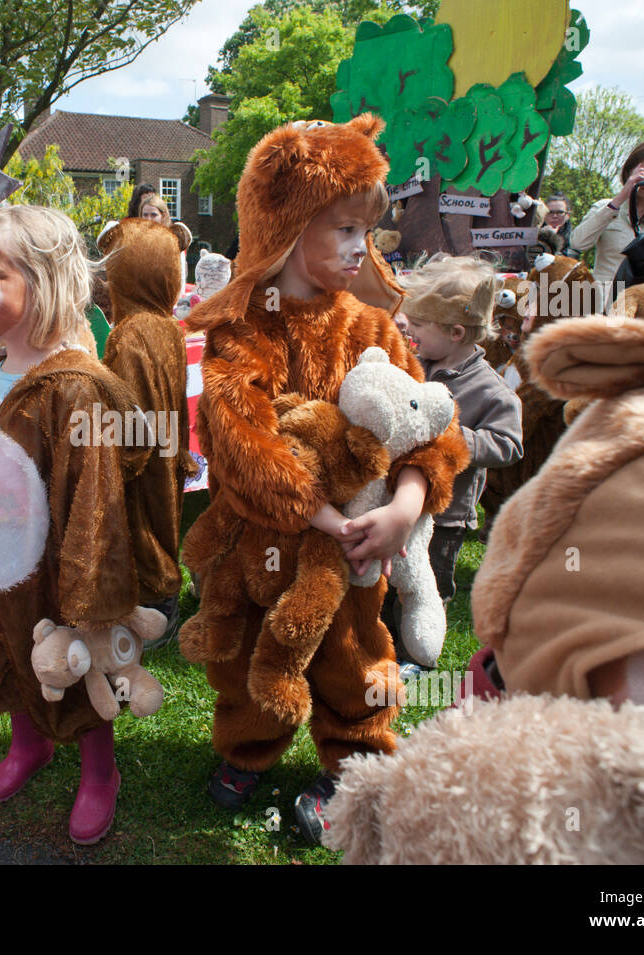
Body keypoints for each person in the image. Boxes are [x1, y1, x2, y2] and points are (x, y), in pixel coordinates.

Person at [177, 117, 467, 844]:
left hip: (367, 541)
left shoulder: (374, 327)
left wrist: (403, 507)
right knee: (248, 653)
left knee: (353, 651)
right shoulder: (243, 327)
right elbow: (240, 440)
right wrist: (323, 519)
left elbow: (431, 425)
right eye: (341, 228)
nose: (356, 248)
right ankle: (251, 745)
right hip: (264, 544)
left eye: (364, 230)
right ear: (285, 222)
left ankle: (357, 760)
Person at [0, 205, 153, 845]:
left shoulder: (75, 389)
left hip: (56, 566)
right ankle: (27, 744)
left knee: (73, 664)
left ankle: (99, 772)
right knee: (10, 650)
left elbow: (95, 503)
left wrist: (88, 598)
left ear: (46, 281)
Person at [394, 256, 522, 672]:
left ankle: (419, 655)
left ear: (455, 332)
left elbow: (508, 444)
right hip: (400, 501)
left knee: (430, 582)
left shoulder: (490, 389)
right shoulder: (421, 364)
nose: (410, 330)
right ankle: (386, 640)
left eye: (419, 325)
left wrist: (455, 437)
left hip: (447, 514)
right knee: (395, 576)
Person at [99, 218, 197, 644]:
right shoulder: (167, 327)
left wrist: (118, 460)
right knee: (164, 524)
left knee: (141, 533)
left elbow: (131, 410)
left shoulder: (129, 333)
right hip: (166, 451)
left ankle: (154, 618)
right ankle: (163, 604)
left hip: (139, 465)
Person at [570, 142, 644, 304]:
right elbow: (578, 242)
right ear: (628, 172)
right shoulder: (605, 206)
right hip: (603, 303)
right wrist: (619, 199)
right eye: (641, 171)